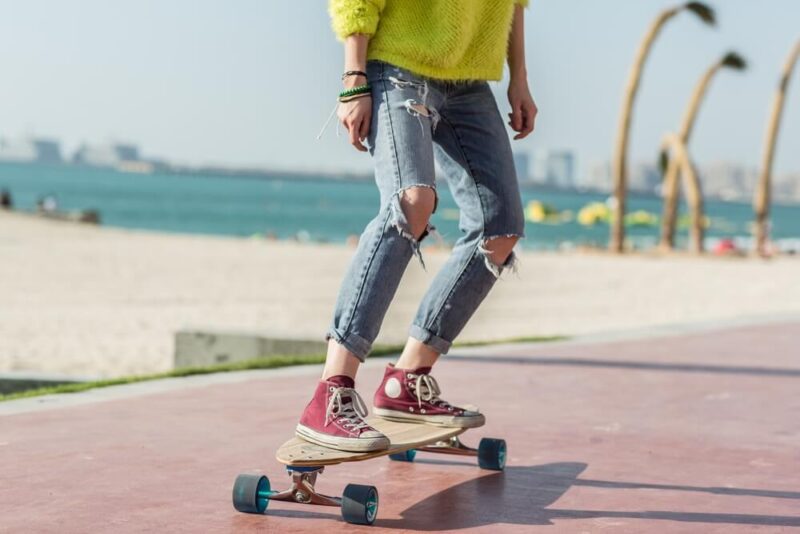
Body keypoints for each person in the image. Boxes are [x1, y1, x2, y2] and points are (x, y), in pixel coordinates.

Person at [297, 0, 538, 452]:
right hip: (397, 61)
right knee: (412, 202)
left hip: (469, 81)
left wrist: (519, 78)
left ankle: (406, 381)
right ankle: (331, 392)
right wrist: (354, 75)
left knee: (500, 228)